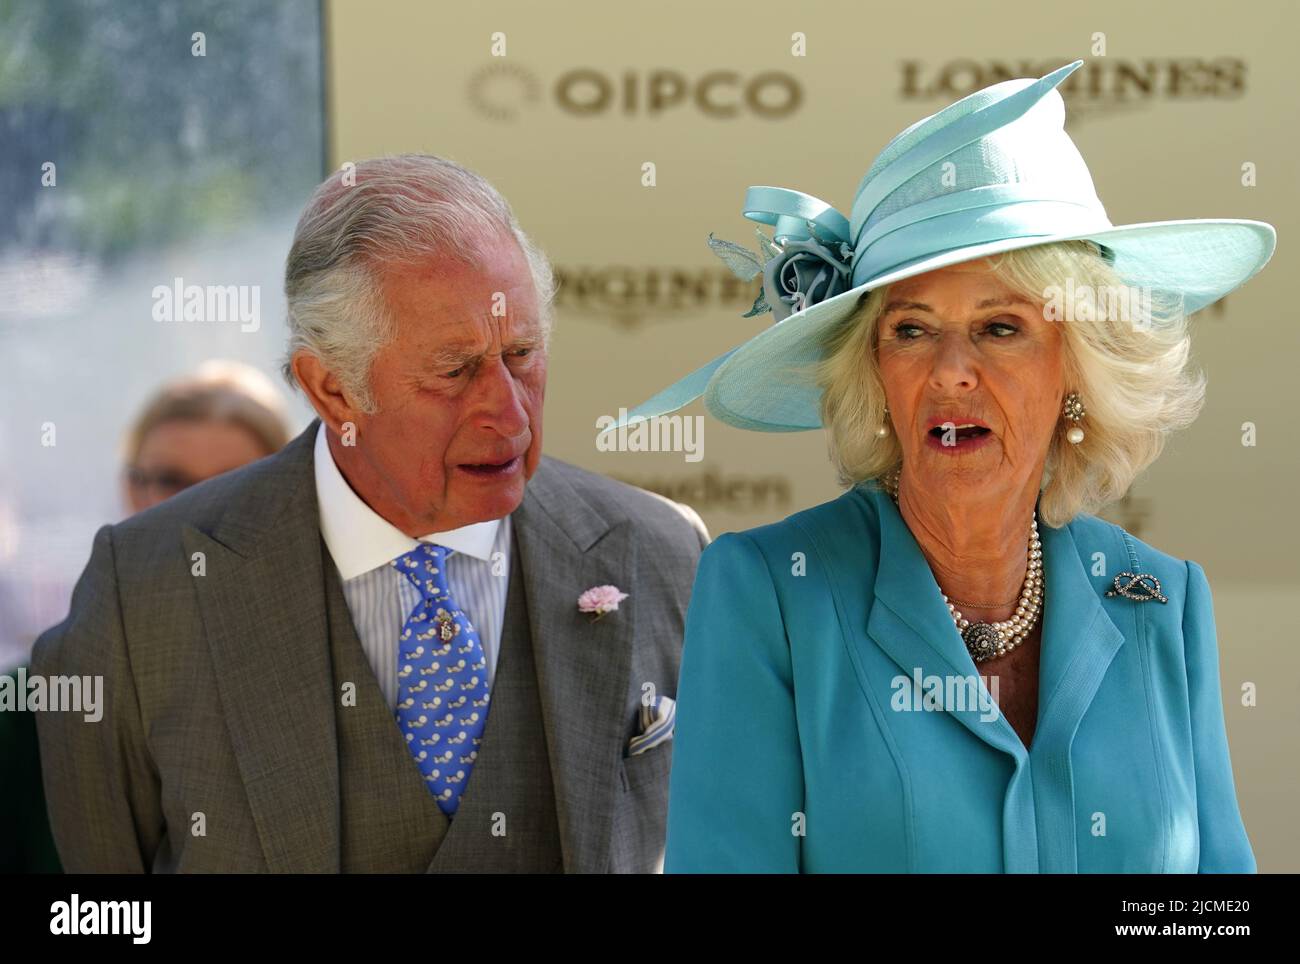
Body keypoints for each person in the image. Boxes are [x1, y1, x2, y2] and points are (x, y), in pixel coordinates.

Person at [611, 61, 1274, 872]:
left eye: (1000, 328)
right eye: (914, 330)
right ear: (876, 374)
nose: (951, 370)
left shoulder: (1162, 602)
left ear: (1076, 368)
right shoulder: (770, 594)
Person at [32, 153, 707, 873]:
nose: (510, 414)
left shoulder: (662, 555)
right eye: (455, 371)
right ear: (330, 390)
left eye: (522, 354)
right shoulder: (144, 597)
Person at [2, 359, 291, 873]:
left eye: (233, 482)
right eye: (170, 481)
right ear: (131, 488)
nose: (195, 509)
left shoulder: (339, 675)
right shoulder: (31, 708)